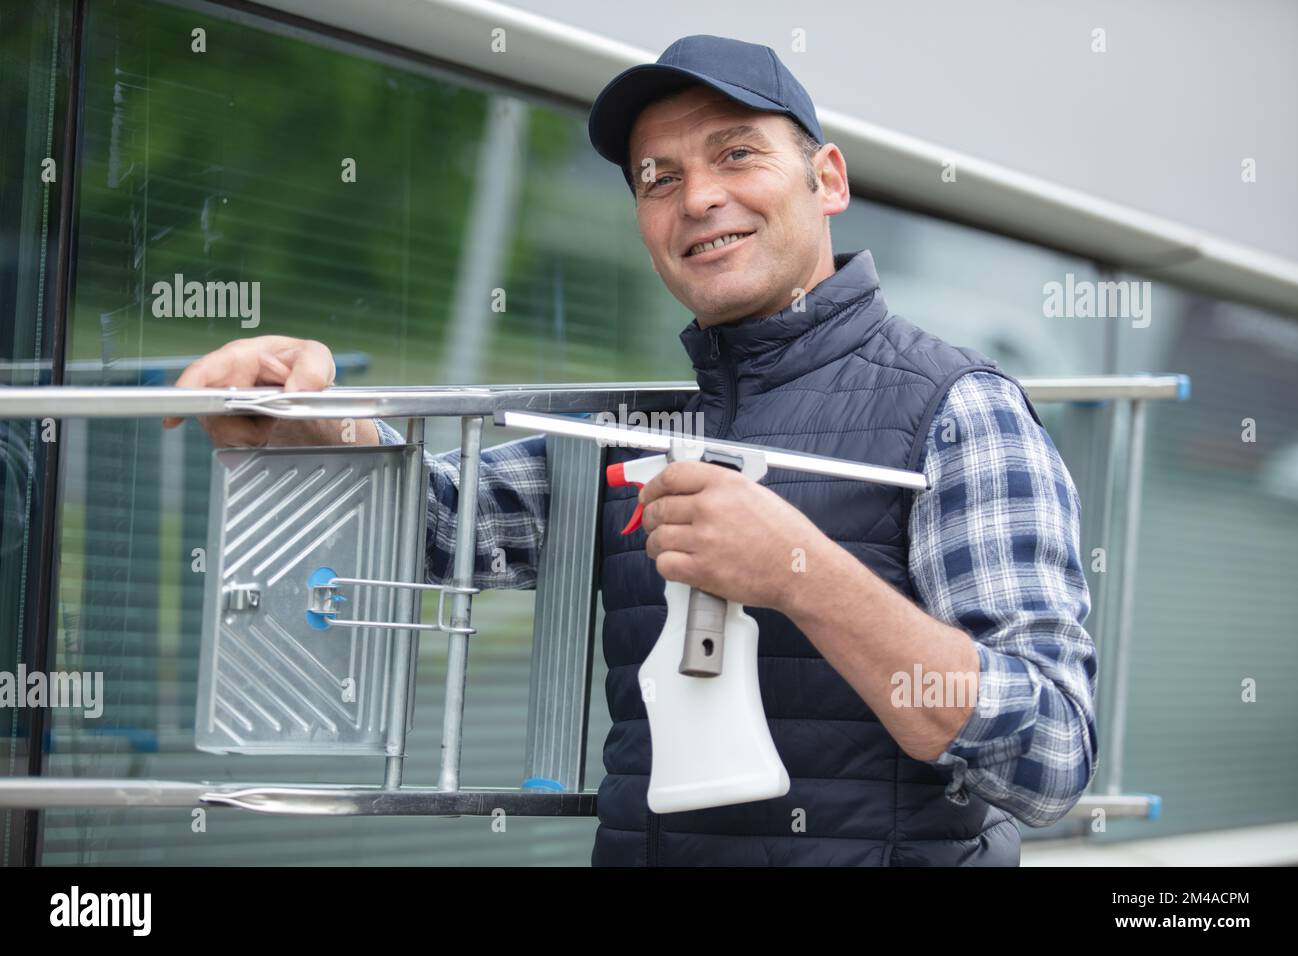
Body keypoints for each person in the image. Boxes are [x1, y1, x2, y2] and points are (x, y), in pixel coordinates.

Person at [165, 35, 1097, 866]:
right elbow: (439, 534)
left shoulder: (956, 409)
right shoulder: (642, 437)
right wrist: (316, 426)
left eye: (736, 153)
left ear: (828, 182)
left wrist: (802, 573)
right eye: (658, 176)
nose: (698, 197)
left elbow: (1048, 758)